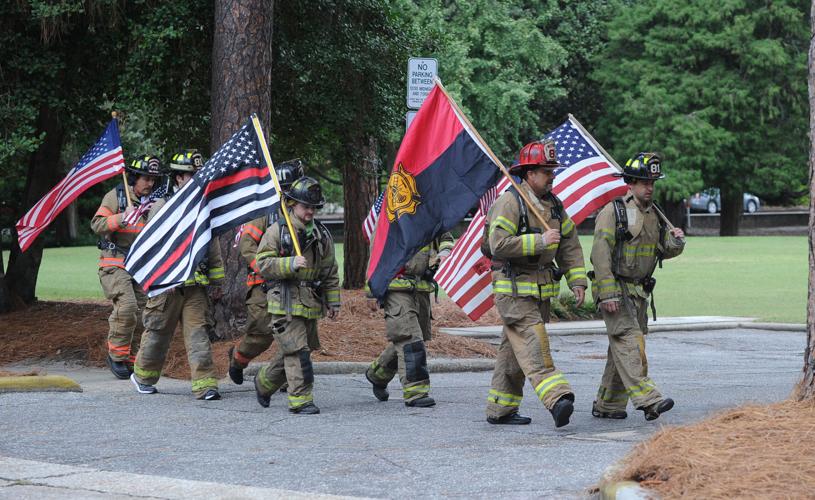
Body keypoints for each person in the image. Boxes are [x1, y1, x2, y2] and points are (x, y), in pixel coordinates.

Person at [483, 139, 587, 427]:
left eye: (552, 170)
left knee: (513, 352)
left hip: (539, 292)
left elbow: (569, 245)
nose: (552, 176)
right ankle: (557, 398)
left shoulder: (554, 205)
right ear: (529, 174)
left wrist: (577, 280)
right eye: (546, 171)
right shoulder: (510, 201)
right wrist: (539, 241)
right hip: (514, 292)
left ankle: (500, 408)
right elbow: (498, 244)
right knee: (534, 343)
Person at [590, 152, 685, 421]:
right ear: (630, 183)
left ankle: (608, 405)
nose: (650, 188)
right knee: (631, 344)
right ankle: (649, 400)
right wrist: (607, 293)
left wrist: (676, 242)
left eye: (652, 183)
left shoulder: (655, 214)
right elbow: (599, 254)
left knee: (620, 350)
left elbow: (663, 250)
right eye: (644, 183)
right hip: (616, 290)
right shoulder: (614, 212)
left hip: (640, 293)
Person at [130, 149, 225, 400]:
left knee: (198, 335)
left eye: (199, 175)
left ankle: (205, 386)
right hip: (167, 287)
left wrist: (217, 280)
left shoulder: (203, 206)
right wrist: (161, 279)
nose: (197, 180)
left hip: (195, 288)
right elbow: (152, 246)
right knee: (158, 334)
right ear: (178, 178)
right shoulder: (162, 206)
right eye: (191, 175)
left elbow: (211, 243)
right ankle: (143, 377)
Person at [252, 177, 341, 414]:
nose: (310, 211)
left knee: (294, 349)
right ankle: (300, 399)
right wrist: (289, 263)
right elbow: (262, 264)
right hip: (284, 303)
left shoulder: (321, 234)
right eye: (305, 206)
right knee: (298, 351)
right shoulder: (277, 231)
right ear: (292, 204)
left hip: (310, 303)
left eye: (314, 207)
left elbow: (330, 271)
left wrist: (333, 301)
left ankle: (264, 382)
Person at [228, 159, 305, 384]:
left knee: (291, 332)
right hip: (263, 285)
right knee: (260, 335)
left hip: (292, 285)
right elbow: (247, 245)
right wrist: (266, 268)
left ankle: (283, 377)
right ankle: (238, 359)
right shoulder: (265, 211)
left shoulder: (303, 213)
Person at [91, 155, 165, 379]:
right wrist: (122, 217)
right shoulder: (117, 196)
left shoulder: (155, 202)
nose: (150, 183)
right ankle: (116, 356)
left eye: (153, 179)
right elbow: (97, 224)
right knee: (127, 307)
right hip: (114, 263)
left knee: (143, 312)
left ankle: (132, 357)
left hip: (139, 266)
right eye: (146, 178)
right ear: (133, 178)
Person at [364, 233, 454, 407]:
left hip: (421, 288)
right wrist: (372, 290)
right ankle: (416, 392)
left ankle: (377, 375)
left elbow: (446, 237)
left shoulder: (430, 216)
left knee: (411, 337)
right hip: (396, 287)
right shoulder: (391, 218)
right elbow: (377, 251)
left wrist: (444, 253)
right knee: (410, 338)